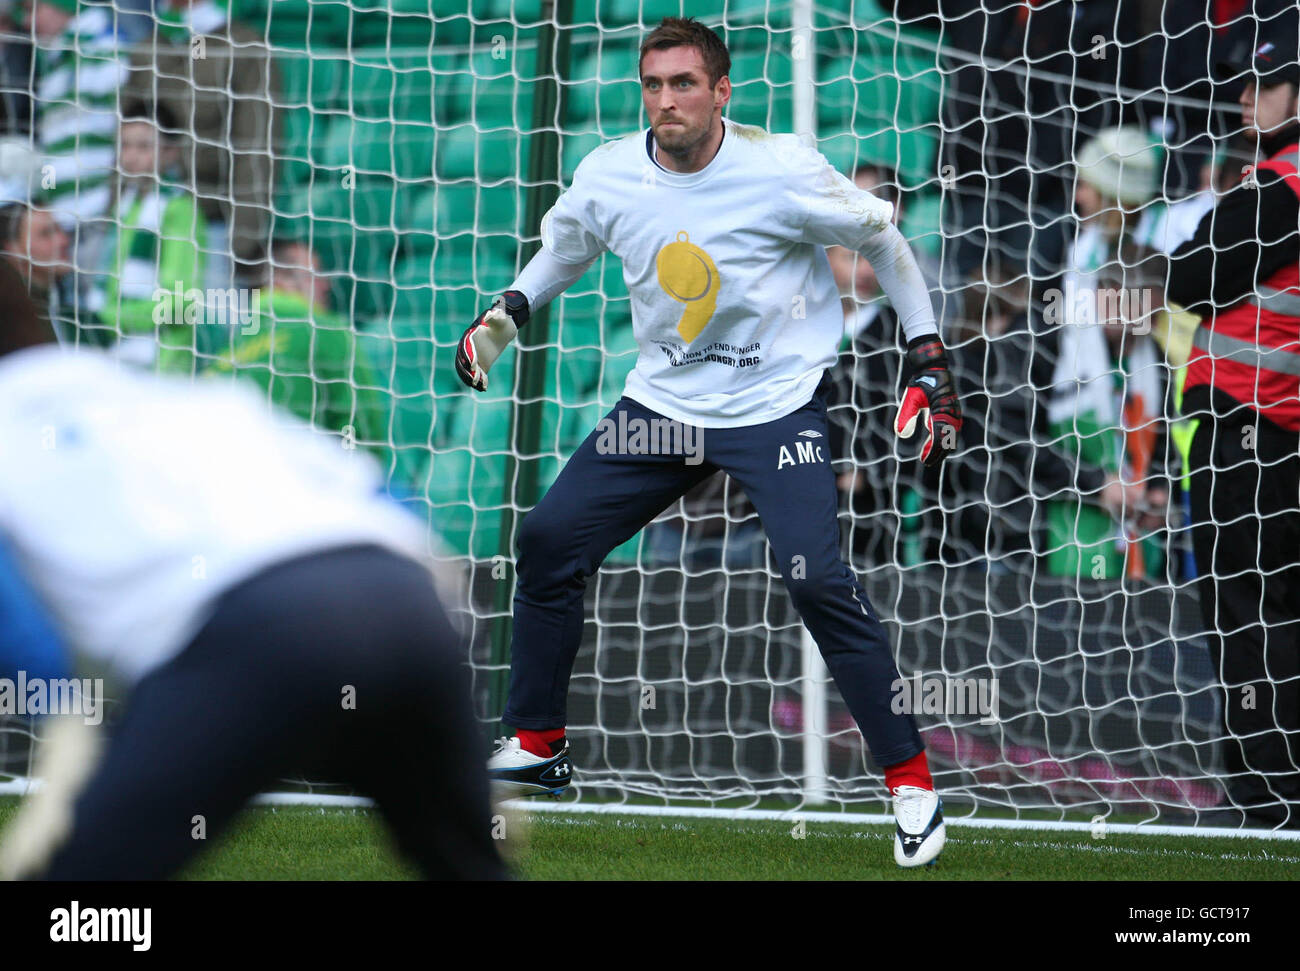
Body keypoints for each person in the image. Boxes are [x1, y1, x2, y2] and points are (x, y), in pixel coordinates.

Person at [457, 18, 963, 867]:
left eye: (685, 84)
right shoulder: (611, 172)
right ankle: (540, 743)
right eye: (654, 86)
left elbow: (882, 238)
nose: (667, 101)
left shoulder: (779, 167)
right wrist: (509, 311)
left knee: (816, 575)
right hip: (664, 407)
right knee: (546, 539)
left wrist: (927, 355)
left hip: (775, 407)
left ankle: (910, 780)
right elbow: (564, 247)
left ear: (722, 91)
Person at [0, 258, 506, 879]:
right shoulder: (170, 397)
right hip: (403, 598)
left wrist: (74, 729)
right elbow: (385, 500)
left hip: (250, 635)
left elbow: (31, 646)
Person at [1166, 26, 1300, 829]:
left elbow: (1187, 276)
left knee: (1246, 611)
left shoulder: (1280, 185)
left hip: (1248, 430)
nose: (1242, 98)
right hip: (1271, 429)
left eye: (1261, 85)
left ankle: (1264, 793)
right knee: (1271, 608)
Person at [206, 237, 393, 475]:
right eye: (314, 275)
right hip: (306, 489)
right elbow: (358, 421)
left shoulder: (224, 356)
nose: (325, 285)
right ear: (280, 282)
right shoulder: (325, 330)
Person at [87, 98, 208, 372]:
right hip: (116, 357)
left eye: (143, 146)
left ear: (171, 153)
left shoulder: (180, 210)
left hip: (162, 365)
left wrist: (111, 317)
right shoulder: (124, 207)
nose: (130, 156)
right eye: (125, 145)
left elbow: (181, 305)